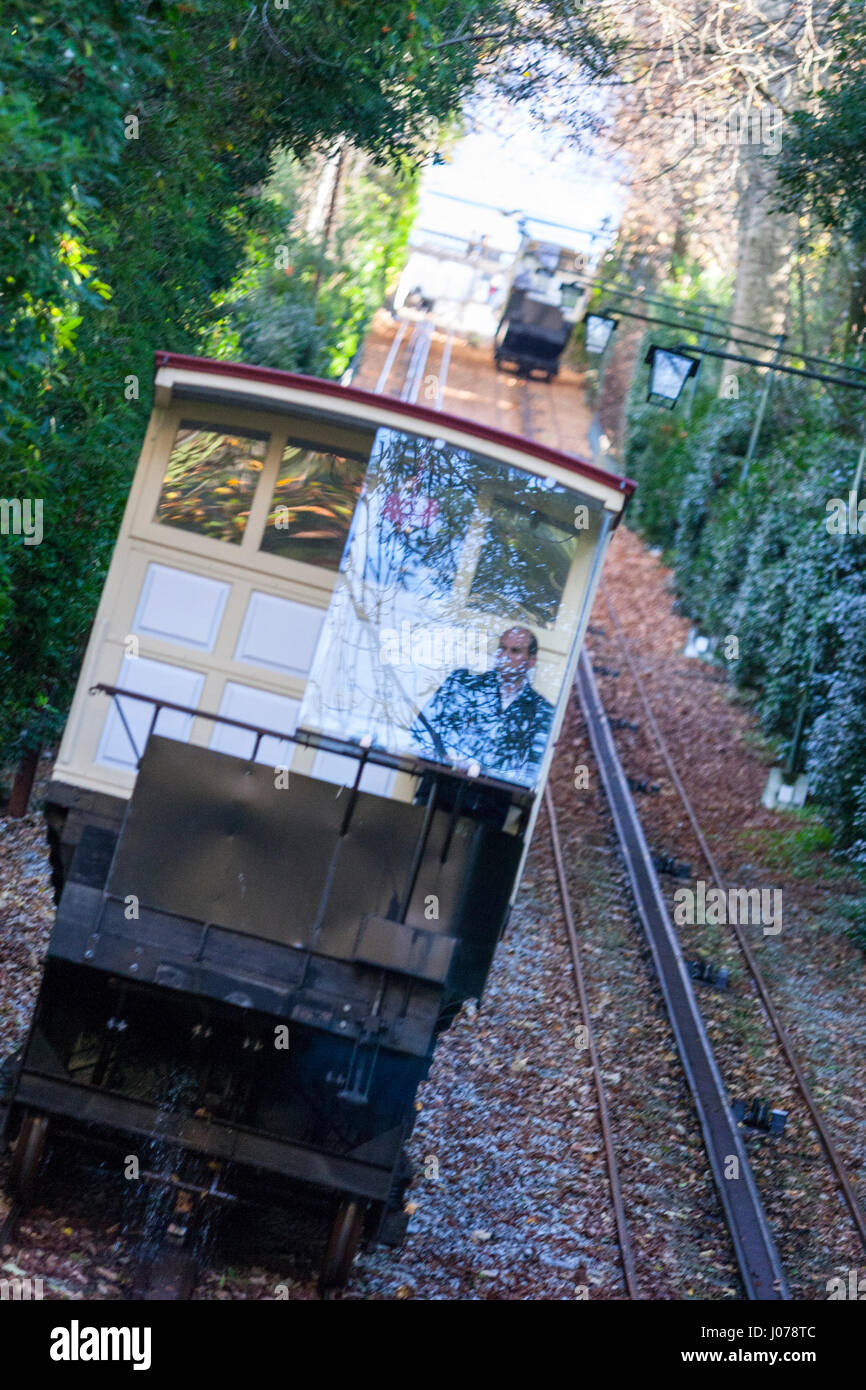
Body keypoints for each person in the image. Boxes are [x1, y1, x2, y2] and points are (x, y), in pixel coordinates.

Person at [410, 626, 554, 782]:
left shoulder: (542, 710)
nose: (505, 656)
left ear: (531, 661)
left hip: (493, 798)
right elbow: (420, 731)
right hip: (439, 785)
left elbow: (533, 770)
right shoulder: (462, 683)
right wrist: (446, 760)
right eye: (502, 648)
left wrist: (493, 773)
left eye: (514, 651)